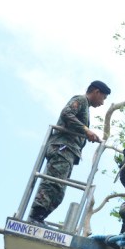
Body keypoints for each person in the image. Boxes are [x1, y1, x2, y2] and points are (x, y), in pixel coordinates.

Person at [28, 81, 109, 224]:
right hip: (62, 147)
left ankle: (40, 218)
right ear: (96, 92)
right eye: (103, 98)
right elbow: (66, 113)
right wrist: (85, 130)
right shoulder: (80, 100)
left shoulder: (86, 106)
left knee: (59, 190)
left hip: (69, 152)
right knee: (52, 183)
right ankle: (35, 216)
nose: (102, 103)